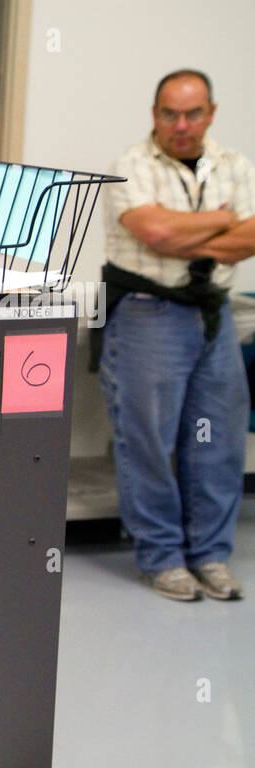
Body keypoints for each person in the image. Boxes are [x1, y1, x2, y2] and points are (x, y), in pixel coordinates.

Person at [100, 69, 255, 601]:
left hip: (213, 314)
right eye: (170, 113)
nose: (181, 125)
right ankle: (162, 558)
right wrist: (220, 221)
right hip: (149, 313)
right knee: (147, 440)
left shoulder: (234, 164)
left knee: (218, 442)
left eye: (192, 113)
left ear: (211, 114)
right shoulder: (131, 166)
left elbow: (248, 239)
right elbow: (155, 230)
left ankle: (210, 555)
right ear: (155, 114)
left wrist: (184, 234)